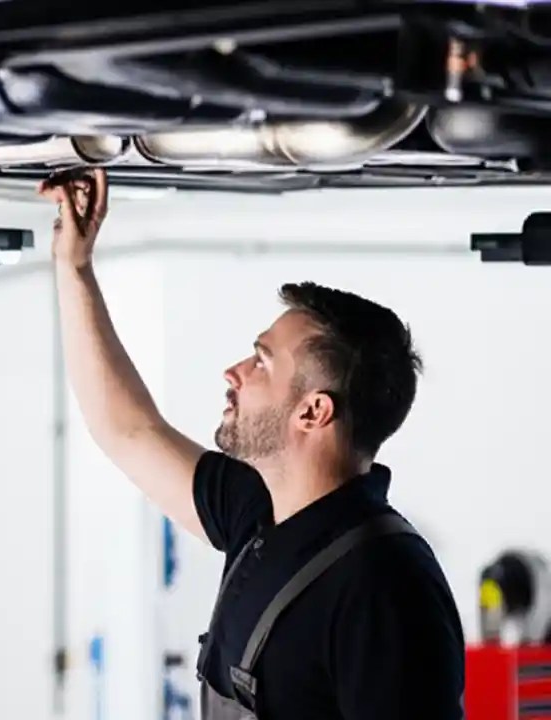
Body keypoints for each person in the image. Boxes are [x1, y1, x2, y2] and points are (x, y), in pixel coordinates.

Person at [41, 169, 465, 719]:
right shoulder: (256, 510)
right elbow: (128, 430)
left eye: (261, 362)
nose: (234, 372)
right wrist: (74, 269)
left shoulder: (384, 587)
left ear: (314, 412)